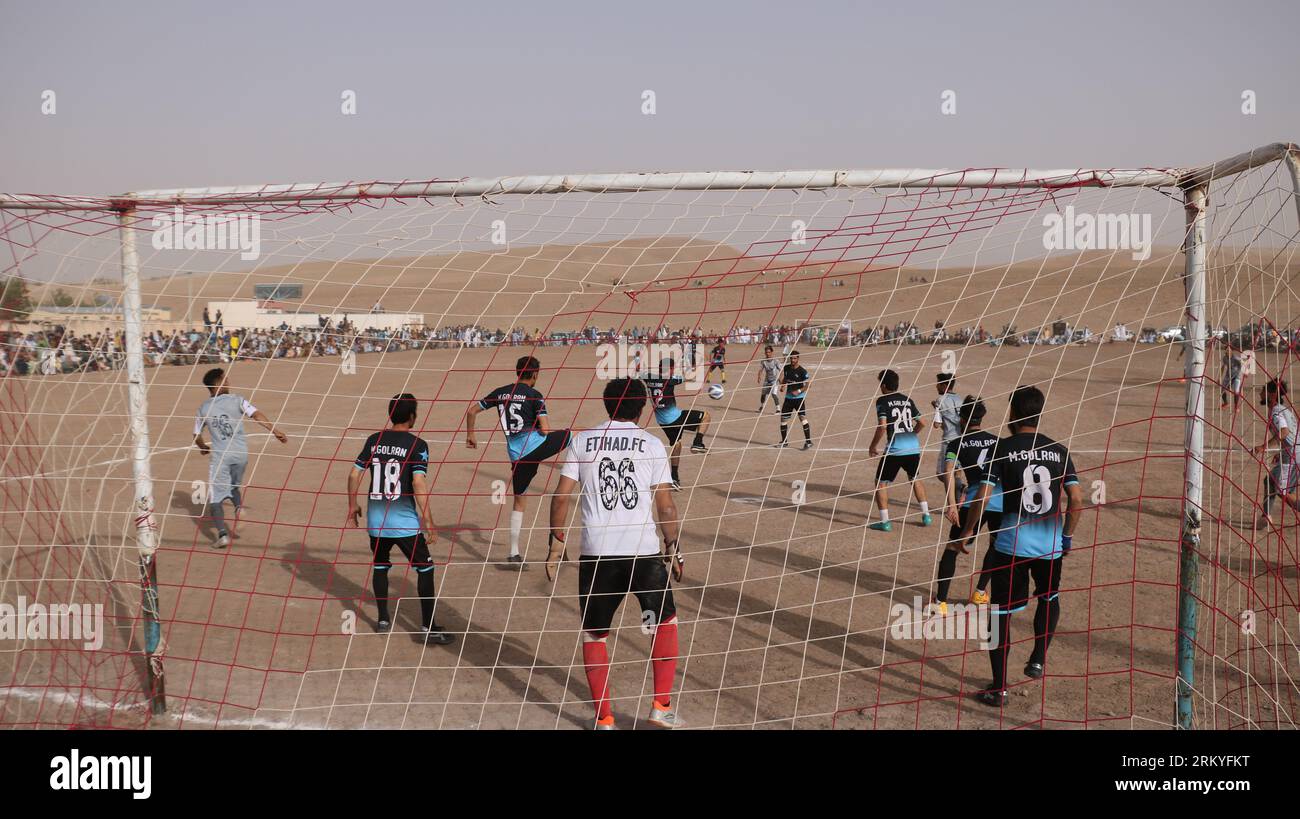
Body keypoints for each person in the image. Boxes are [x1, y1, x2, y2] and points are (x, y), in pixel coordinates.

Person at [545, 378, 685, 730]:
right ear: (641, 408)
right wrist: (673, 547)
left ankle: (605, 719)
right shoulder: (652, 444)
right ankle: (661, 707)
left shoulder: (582, 440)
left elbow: (561, 497)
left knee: (596, 634)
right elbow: (665, 507)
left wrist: (556, 541)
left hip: (597, 556)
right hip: (643, 555)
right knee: (660, 624)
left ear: (608, 404)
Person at [958, 385, 1083, 706]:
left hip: (1010, 545)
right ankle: (1038, 658)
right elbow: (1077, 500)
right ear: (1039, 413)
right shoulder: (1059, 449)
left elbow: (983, 496)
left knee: (1000, 615)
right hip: (1050, 544)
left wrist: (967, 532)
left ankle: (998, 688)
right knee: (1049, 597)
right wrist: (1066, 536)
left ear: (1013, 412)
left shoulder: (1003, 448)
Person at [347, 393, 453, 644]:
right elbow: (418, 482)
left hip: (376, 521)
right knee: (425, 569)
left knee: (381, 566)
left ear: (390, 414)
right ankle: (428, 627)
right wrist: (428, 520)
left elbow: (354, 474)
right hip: (404, 523)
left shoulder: (374, 440)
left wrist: (352, 504)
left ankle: (383, 619)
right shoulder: (418, 445)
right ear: (412, 416)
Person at [465, 355, 571, 568]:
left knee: (520, 500)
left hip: (516, 455)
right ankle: (557, 531)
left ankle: (514, 553)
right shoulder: (534, 395)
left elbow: (472, 410)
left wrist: (471, 435)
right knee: (574, 437)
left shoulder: (501, 392)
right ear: (534, 373)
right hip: (535, 447)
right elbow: (545, 429)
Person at [193, 368, 287, 548]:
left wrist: (203, 447)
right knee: (234, 486)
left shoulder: (203, 408)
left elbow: (196, 435)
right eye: (225, 379)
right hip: (241, 454)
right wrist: (275, 431)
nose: (228, 382)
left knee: (215, 498)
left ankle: (222, 535)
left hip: (221, 457)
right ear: (218, 382)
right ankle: (239, 508)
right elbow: (257, 414)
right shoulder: (238, 400)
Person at [933, 397, 1002, 613]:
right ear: (981, 419)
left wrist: (952, 505)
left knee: (952, 549)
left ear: (961, 419)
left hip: (973, 503)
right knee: (996, 547)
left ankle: (940, 603)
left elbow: (948, 473)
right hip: (1000, 502)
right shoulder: (998, 442)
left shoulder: (956, 443)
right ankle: (980, 593)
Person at [868, 369, 931, 531]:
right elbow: (923, 422)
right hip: (913, 448)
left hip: (895, 450)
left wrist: (873, 446)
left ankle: (885, 522)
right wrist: (911, 434)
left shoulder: (882, 401)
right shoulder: (907, 400)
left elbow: (882, 426)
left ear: (883, 385)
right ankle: (926, 515)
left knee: (881, 484)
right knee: (914, 478)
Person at [642, 357, 710, 490]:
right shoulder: (671, 380)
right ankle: (697, 442)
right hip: (675, 418)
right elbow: (688, 377)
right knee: (706, 416)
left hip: (662, 422)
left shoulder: (648, 377)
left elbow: (640, 373)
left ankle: (674, 477)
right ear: (671, 369)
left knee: (676, 444)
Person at [1254, 377, 1298, 529]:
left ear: (1272, 395)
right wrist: (1281, 452)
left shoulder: (1276, 412)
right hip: (1292, 454)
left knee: (1282, 490)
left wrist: (1263, 446)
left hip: (1294, 457)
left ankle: (1266, 517)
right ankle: (1265, 517)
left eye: (1262, 391)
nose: (1260, 394)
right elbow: (1292, 433)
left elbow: (1284, 432)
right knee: (1270, 481)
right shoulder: (1284, 410)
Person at [778, 350, 813, 449]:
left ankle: (808, 442)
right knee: (783, 420)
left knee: (802, 418)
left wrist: (798, 391)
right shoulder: (786, 368)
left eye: (794, 358)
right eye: (791, 358)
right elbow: (785, 379)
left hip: (799, 399)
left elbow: (808, 385)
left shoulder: (802, 371)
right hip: (788, 399)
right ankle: (784, 442)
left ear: (798, 359)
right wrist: (783, 385)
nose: (792, 360)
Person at [932, 372, 963, 482]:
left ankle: (959, 492)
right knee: (957, 471)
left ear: (944, 386)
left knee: (943, 474)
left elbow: (937, 424)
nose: (936, 386)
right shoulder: (960, 399)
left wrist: (936, 409)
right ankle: (959, 493)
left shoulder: (940, 400)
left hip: (948, 441)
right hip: (961, 440)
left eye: (938, 384)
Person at [756, 344, 782, 413]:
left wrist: (780, 378)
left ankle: (778, 409)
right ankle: (762, 406)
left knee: (774, 394)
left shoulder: (776, 361)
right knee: (763, 394)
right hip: (767, 380)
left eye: (769, 352)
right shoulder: (763, 361)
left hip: (774, 380)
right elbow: (760, 370)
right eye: (766, 352)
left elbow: (781, 370)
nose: (768, 354)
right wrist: (759, 377)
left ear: (772, 352)